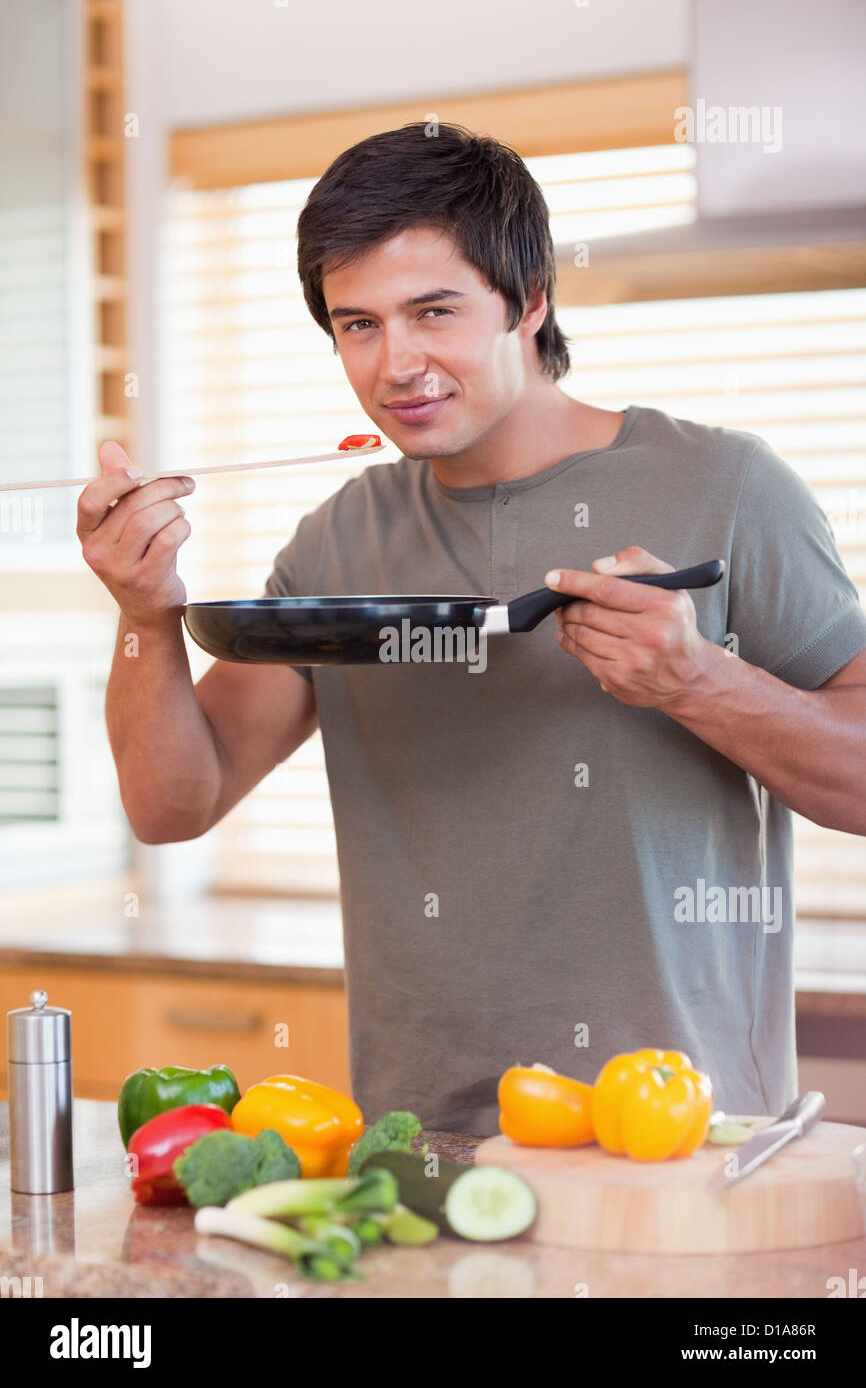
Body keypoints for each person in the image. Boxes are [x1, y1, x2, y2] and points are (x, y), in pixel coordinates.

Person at [79, 123, 866, 1136]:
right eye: (356, 324)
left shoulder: (726, 487)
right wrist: (144, 616)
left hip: (678, 1141)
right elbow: (171, 805)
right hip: (423, 1146)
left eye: (433, 312)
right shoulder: (338, 537)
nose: (395, 364)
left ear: (528, 299)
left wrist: (695, 682)